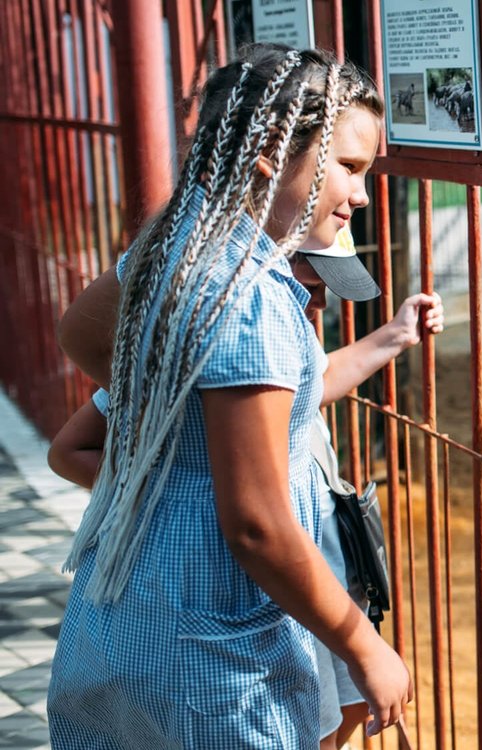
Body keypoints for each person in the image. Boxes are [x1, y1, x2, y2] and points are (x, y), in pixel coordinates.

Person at [47, 44, 420, 748]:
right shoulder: (251, 295)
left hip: (118, 623)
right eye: (349, 167)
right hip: (213, 666)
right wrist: (364, 646)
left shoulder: (177, 247)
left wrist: (179, 420)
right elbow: (256, 525)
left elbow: (80, 332)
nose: (363, 195)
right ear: (271, 152)